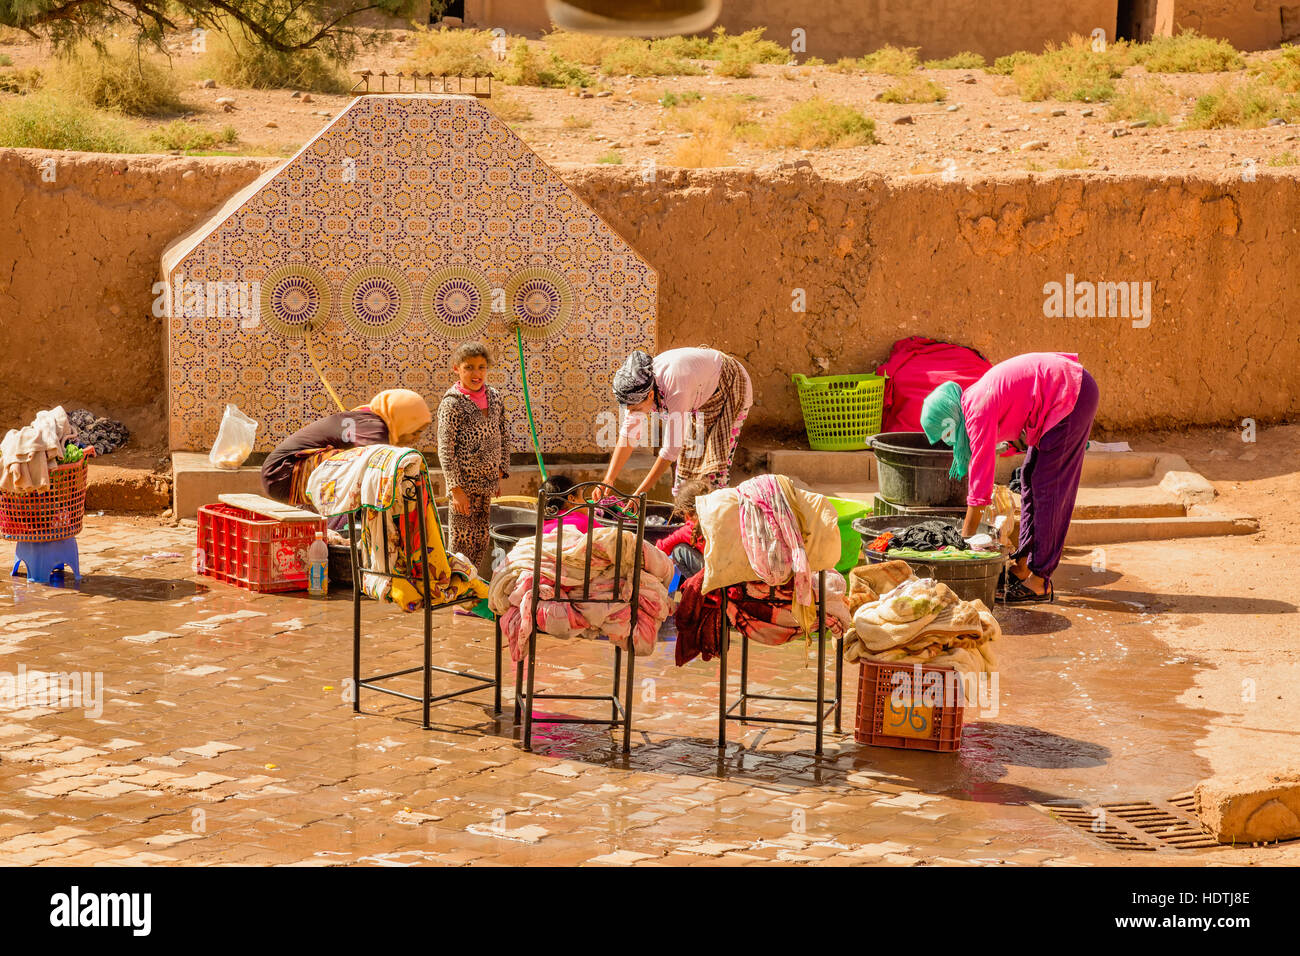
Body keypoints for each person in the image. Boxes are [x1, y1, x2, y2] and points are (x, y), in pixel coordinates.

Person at [920, 352, 1099, 604]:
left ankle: (1040, 582)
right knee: (1029, 478)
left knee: (1049, 489)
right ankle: (1023, 564)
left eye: (945, 434)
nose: (947, 442)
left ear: (950, 420)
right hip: (1062, 392)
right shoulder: (973, 402)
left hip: (1071, 392)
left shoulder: (976, 410)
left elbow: (979, 490)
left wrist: (963, 545)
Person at [601, 347, 753, 499]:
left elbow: (670, 451)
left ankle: (714, 514)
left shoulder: (676, 389)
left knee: (714, 469)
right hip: (699, 393)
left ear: (651, 395)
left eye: (636, 409)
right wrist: (608, 480)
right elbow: (628, 434)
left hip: (729, 387)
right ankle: (686, 513)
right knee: (688, 462)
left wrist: (638, 495)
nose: (633, 414)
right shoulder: (638, 392)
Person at [261, 389, 431, 506]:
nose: (415, 439)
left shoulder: (368, 419)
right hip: (283, 473)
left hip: (281, 474)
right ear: (404, 420)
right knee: (370, 466)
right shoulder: (374, 428)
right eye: (414, 432)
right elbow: (376, 470)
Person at [437, 342, 510, 568]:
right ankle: (457, 591)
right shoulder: (452, 404)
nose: (476, 374)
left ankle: (472, 588)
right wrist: (455, 489)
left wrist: (499, 472)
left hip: (486, 484)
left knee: (481, 539)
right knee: (461, 542)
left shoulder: (495, 397)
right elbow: (445, 448)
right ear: (456, 369)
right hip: (464, 488)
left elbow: (503, 434)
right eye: (469, 368)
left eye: (481, 367)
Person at [655, 478, 710, 581]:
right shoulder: (719, 518)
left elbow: (661, 548)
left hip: (713, 575)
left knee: (678, 550)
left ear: (687, 512)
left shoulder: (688, 529)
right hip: (733, 572)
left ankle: (697, 588)